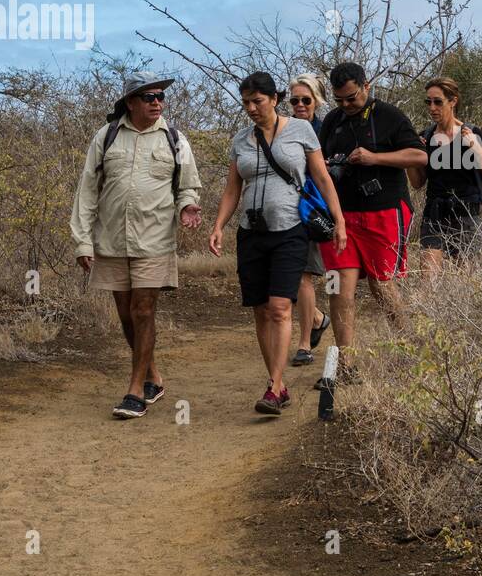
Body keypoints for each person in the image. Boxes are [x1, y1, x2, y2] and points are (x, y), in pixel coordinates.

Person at [208, 72, 345, 416]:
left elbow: (322, 178)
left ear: (274, 99)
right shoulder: (241, 139)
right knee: (260, 310)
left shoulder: (300, 131)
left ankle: (273, 385)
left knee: (281, 306)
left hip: (290, 230)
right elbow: (232, 189)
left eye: (258, 101)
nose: (252, 109)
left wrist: (339, 220)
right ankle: (278, 385)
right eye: (246, 103)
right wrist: (218, 225)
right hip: (251, 232)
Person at [70, 71, 203, 420]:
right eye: (149, 97)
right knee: (128, 314)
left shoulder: (175, 139)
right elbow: (87, 190)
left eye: (161, 97)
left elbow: (188, 185)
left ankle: (134, 391)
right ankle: (153, 377)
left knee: (144, 310)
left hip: (154, 238)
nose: (157, 103)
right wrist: (82, 240)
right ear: (131, 103)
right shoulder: (107, 136)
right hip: (111, 240)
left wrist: (188, 205)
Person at [317, 62, 427, 382]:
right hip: (343, 215)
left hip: (384, 210)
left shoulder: (389, 116)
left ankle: (410, 346)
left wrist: (374, 158)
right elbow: (320, 162)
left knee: (382, 284)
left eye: (351, 98)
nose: (346, 106)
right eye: (339, 100)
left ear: (366, 86)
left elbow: (419, 157)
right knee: (340, 288)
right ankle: (347, 365)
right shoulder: (333, 122)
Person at [407, 76, 482, 276]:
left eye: (438, 102)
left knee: (465, 281)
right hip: (435, 212)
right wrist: (411, 155)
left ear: (453, 101)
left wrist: (473, 146)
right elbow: (417, 183)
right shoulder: (426, 136)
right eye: (428, 102)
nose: (432, 107)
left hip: (466, 212)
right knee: (428, 281)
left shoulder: (473, 133)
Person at [286, 73, 331, 366]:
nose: (300, 104)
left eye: (306, 99)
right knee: (286, 277)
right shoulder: (284, 129)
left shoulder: (326, 130)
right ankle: (316, 318)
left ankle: (304, 345)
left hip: (313, 211)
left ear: (317, 100)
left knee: (303, 276)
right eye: (295, 100)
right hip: (285, 210)